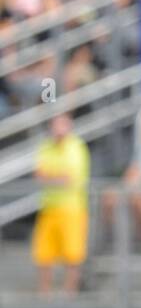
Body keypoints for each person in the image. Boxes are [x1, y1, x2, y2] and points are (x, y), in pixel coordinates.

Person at [32, 113, 90, 296]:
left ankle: (69, 294)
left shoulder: (76, 147)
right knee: (44, 254)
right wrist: (55, 178)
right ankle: (44, 294)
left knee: (73, 254)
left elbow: (68, 179)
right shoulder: (45, 146)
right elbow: (39, 175)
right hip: (48, 207)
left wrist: (50, 177)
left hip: (72, 208)